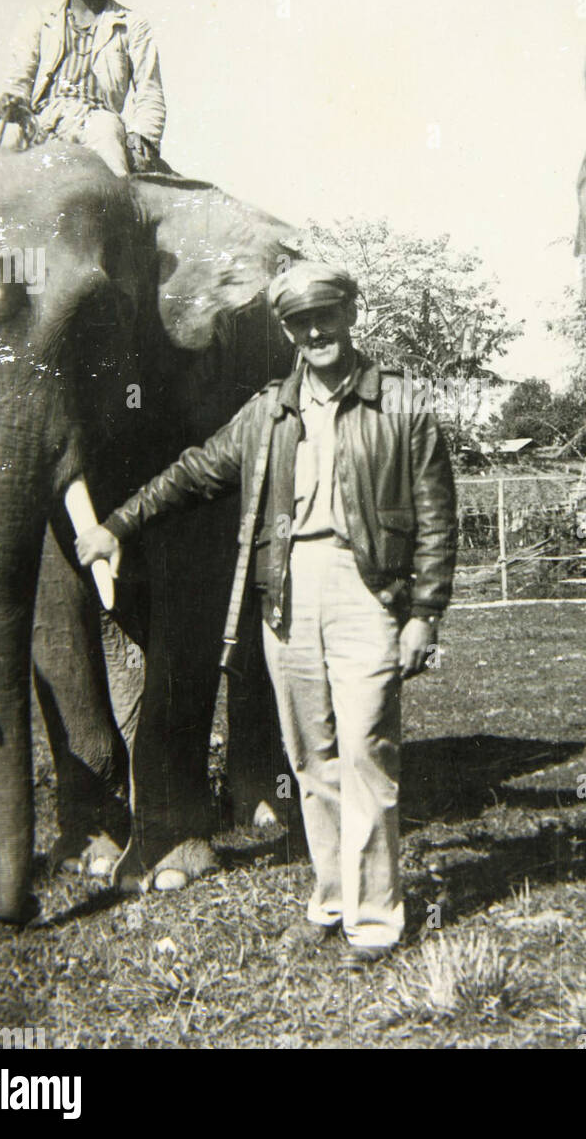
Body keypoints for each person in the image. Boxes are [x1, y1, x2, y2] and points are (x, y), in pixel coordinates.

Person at [75, 261, 457, 965]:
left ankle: (374, 921)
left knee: (368, 749)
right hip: (285, 593)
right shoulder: (266, 413)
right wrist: (115, 527)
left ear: (350, 312)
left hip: (368, 590)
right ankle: (333, 897)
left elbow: (436, 519)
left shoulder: (403, 404)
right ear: (286, 331)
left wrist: (423, 614)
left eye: (327, 314)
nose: (316, 331)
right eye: (300, 322)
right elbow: (189, 474)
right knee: (311, 759)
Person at [0, 0, 166, 176]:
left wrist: (142, 136)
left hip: (97, 120)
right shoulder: (40, 19)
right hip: (42, 117)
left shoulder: (132, 25)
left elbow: (149, 91)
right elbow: (21, 76)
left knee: (114, 179)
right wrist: (14, 102)